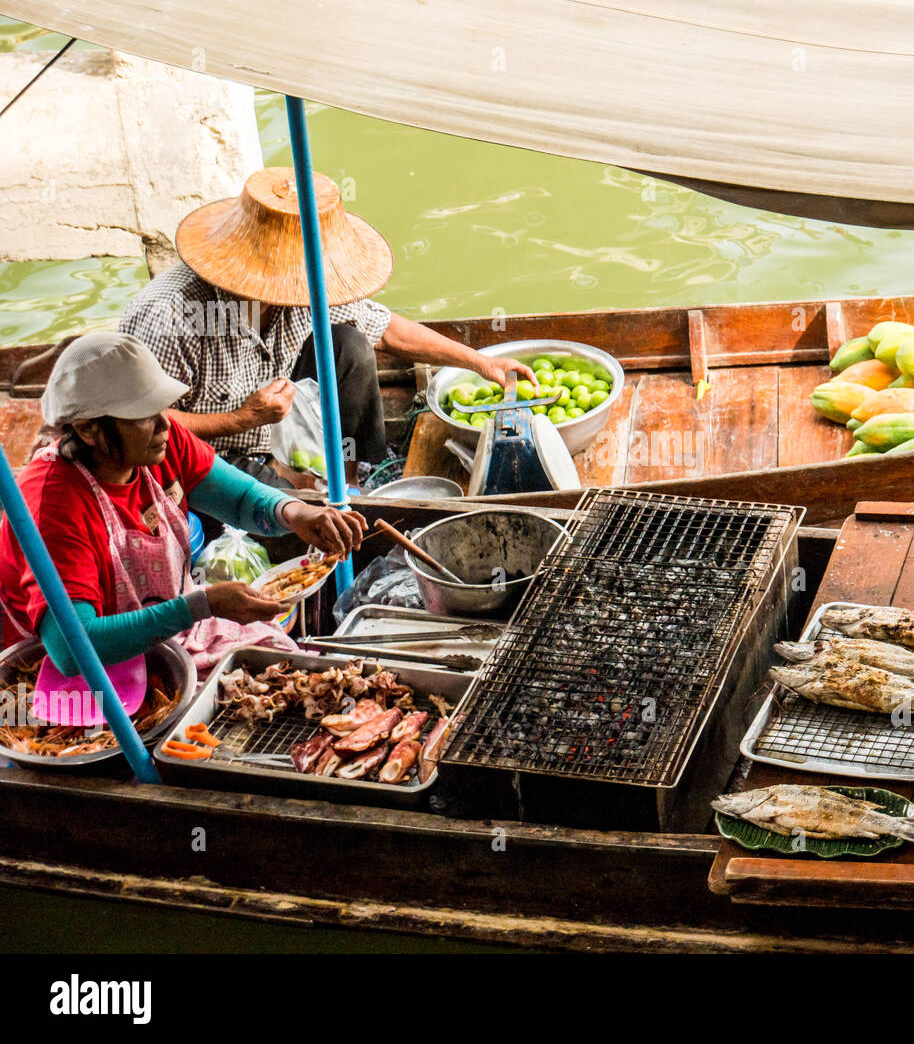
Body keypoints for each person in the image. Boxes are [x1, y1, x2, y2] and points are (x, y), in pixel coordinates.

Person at [0, 333, 368, 707]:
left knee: (288, 670)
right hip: (73, 675)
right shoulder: (52, 505)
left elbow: (242, 499)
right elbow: (72, 648)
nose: (165, 425)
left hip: (169, 628)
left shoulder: (162, 441)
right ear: (86, 427)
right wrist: (201, 606)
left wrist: (296, 513)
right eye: (143, 415)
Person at [121, 167, 533, 488]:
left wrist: (481, 363)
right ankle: (297, 487)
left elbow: (388, 330)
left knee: (350, 343)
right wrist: (243, 419)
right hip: (208, 453)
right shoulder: (170, 315)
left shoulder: (308, 289)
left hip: (276, 419)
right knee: (286, 512)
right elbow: (140, 424)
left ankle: (354, 478)